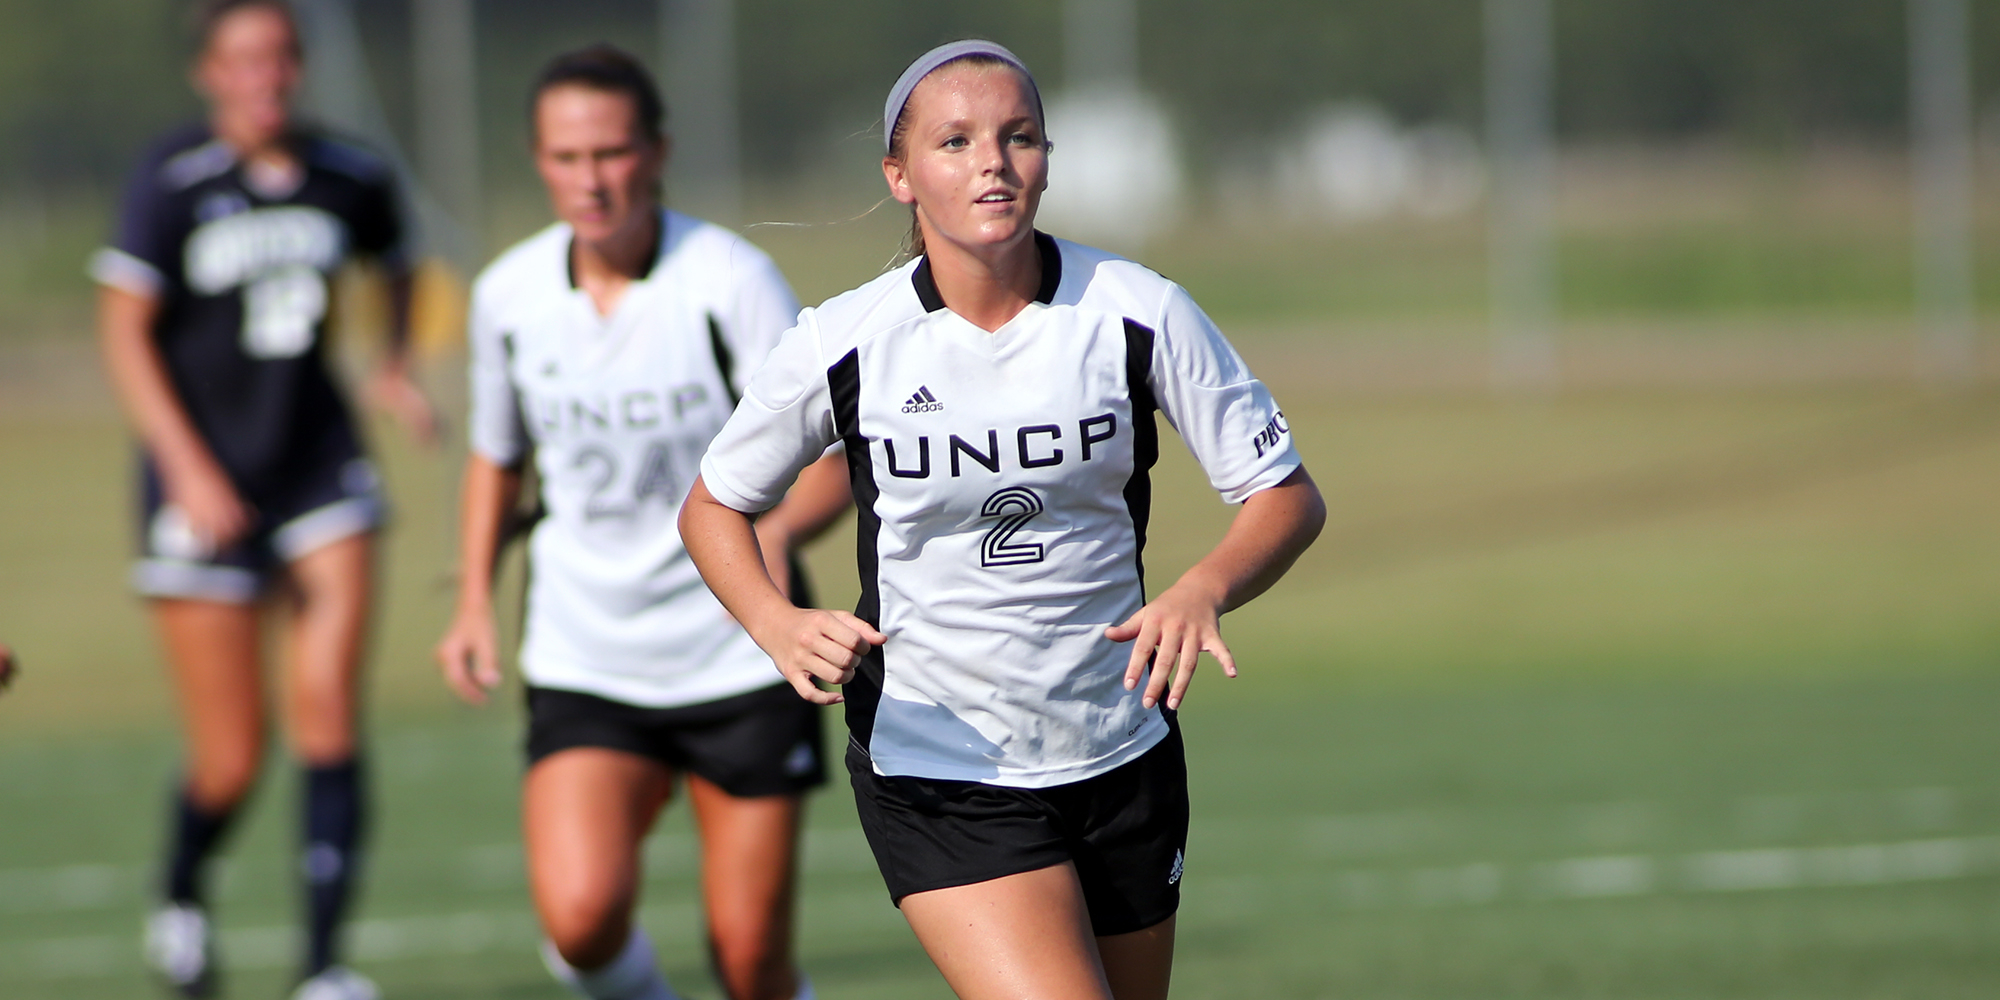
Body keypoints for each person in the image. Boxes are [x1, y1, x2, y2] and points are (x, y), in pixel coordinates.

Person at [679, 40, 1326, 1000]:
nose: (993, 161)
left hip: (1121, 746)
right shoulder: (844, 341)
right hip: (939, 763)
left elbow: (1286, 494)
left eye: (1018, 136)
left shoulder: (1136, 310)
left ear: (1046, 160)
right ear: (899, 176)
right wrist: (775, 623)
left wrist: (1205, 588)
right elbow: (713, 505)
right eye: (956, 141)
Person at [434, 44, 849, 1000]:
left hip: (742, 653)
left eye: (612, 152)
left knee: (749, 959)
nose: (591, 179)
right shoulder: (507, 296)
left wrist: (773, 540)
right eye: (566, 157)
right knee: (581, 922)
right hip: (588, 653)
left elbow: (837, 457)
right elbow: (497, 456)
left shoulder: (731, 278)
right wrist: (472, 602)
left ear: (656, 152)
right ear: (538, 160)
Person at [92, 2, 435, 998]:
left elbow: (399, 264)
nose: (266, 76)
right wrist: (187, 467)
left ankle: (323, 967)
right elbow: (123, 331)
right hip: (204, 482)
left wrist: (393, 364)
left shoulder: (350, 174)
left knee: (327, 712)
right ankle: (181, 895)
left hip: (319, 467)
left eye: (281, 56)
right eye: (243, 59)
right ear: (207, 72)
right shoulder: (172, 179)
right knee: (231, 757)